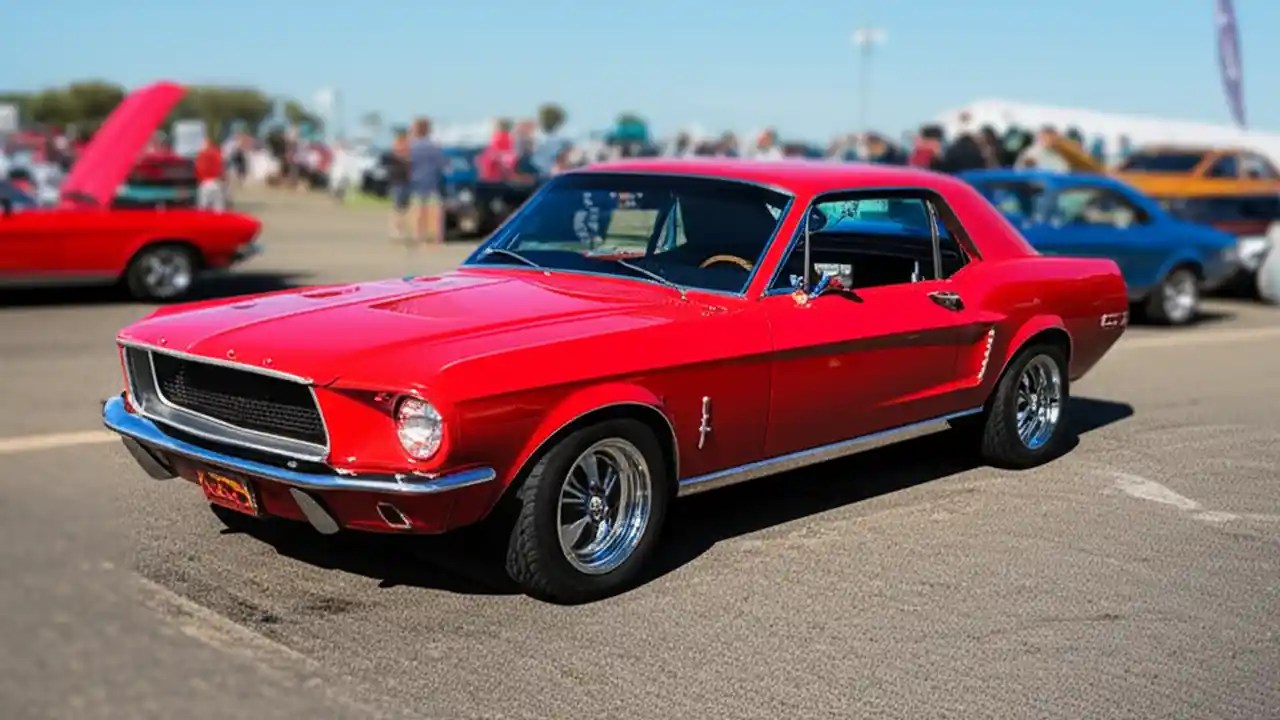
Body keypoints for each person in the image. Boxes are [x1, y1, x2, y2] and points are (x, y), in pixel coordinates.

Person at [408, 117, 447, 244]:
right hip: (432, 179)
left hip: (416, 180)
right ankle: (437, 235)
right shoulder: (433, 145)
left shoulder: (412, 146)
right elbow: (442, 163)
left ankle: (419, 235)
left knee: (418, 208)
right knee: (435, 209)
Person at [385, 130, 411, 240]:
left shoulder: (407, 150)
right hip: (398, 181)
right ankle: (396, 230)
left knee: (403, 208)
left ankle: (399, 229)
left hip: (405, 181)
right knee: (398, 207)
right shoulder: (396, 150)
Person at [194, 134, 226, 211]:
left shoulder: (201, 155)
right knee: (218, 209)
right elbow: (221, 167)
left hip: (205, 183)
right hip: (216, 183)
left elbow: (198, 169)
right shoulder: (216, 153)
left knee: (203, 209)